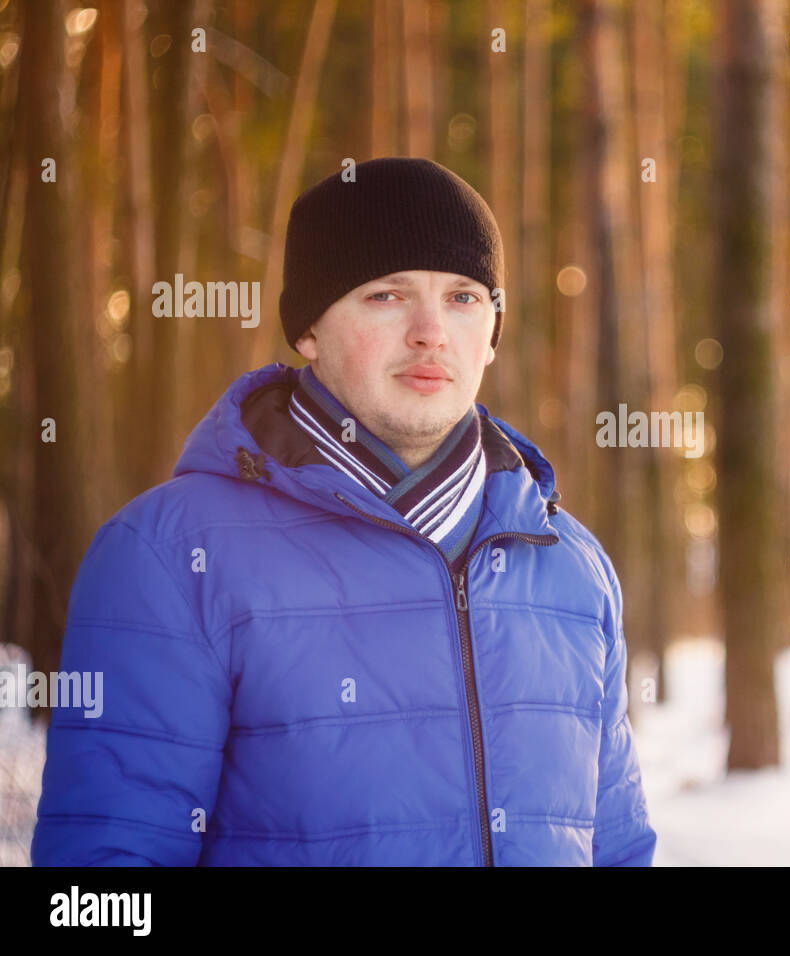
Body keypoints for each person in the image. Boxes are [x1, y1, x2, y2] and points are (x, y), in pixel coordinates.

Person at [31, 157, 656, 866]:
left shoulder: (570, 567)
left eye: (463, 297)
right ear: (308, 331)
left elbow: (619, 850)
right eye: (386, 295)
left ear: (492, 331)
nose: (430, 332)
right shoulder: (169, 556)